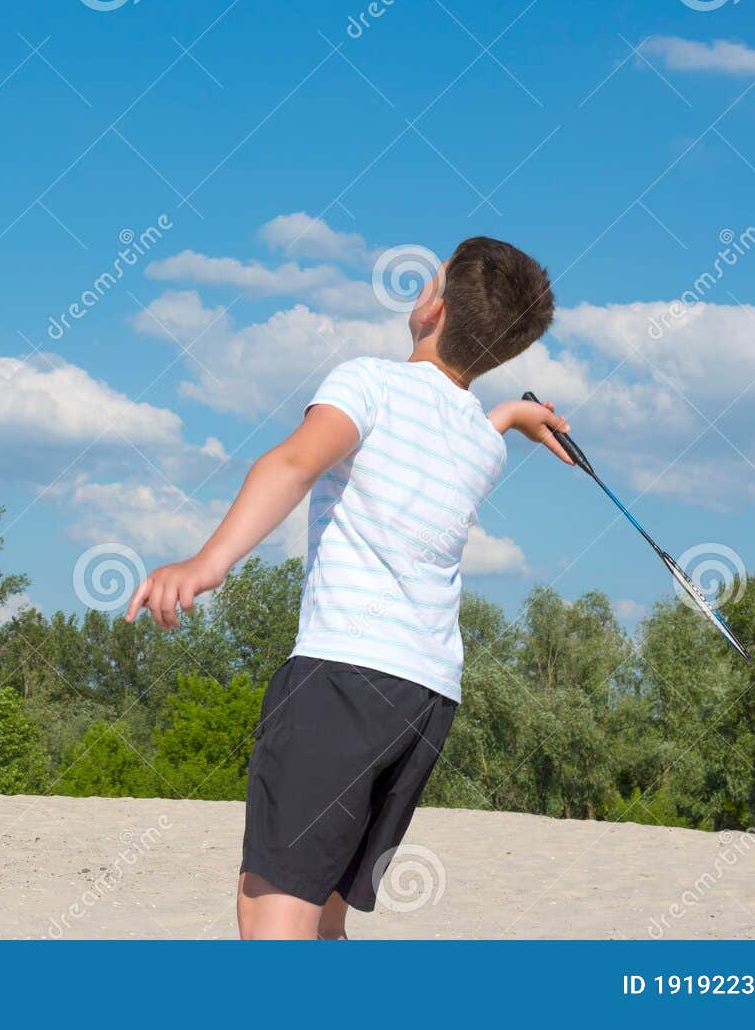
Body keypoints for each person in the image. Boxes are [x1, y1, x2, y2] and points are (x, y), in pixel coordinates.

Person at [126, 236, 573, 938]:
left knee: (271, 911)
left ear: (432, 306)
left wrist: (207, 562)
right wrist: (514, 416)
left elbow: (297, 460)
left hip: (344, 678)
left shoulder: (367, 380)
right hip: (424, 699)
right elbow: (460, 425)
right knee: (326, 917)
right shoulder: (482, 445)